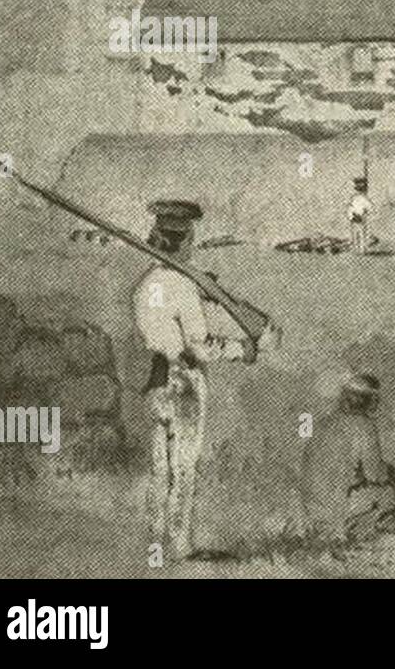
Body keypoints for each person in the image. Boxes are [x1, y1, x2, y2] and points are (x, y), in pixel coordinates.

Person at [133, 200, 246, 560]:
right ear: (184, 240)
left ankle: (155, 540)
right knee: (183, 469)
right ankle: (180, 546)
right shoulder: (182, 284)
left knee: (159, 467)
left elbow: (161, 322)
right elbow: (200, 347)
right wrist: (241, 350)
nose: (193, 245)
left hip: (156, 382)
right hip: (183, 382)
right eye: (191, 239)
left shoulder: (145, 284)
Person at [299, 373, 395, 542]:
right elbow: (375, 475)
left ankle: (338, 528)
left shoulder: (323, 422)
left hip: (312, 509)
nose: (377, 403)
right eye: (374, 398)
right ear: (366, 399)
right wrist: (389, 471)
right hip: (337, 508)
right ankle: (355, 530)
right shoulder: (365, 426)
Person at [347, 175, 371, 254]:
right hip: (354, 218)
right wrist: (351, 216)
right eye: (358, 188)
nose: (359, 191)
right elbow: (350, 208)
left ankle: (362, 249)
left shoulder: (365, 198)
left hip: (361, 218)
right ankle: (355, 249)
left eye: (361, 189)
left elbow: (369, 207)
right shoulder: (354, 198)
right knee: (354, 234)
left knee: (362, 234)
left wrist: (364, 213)